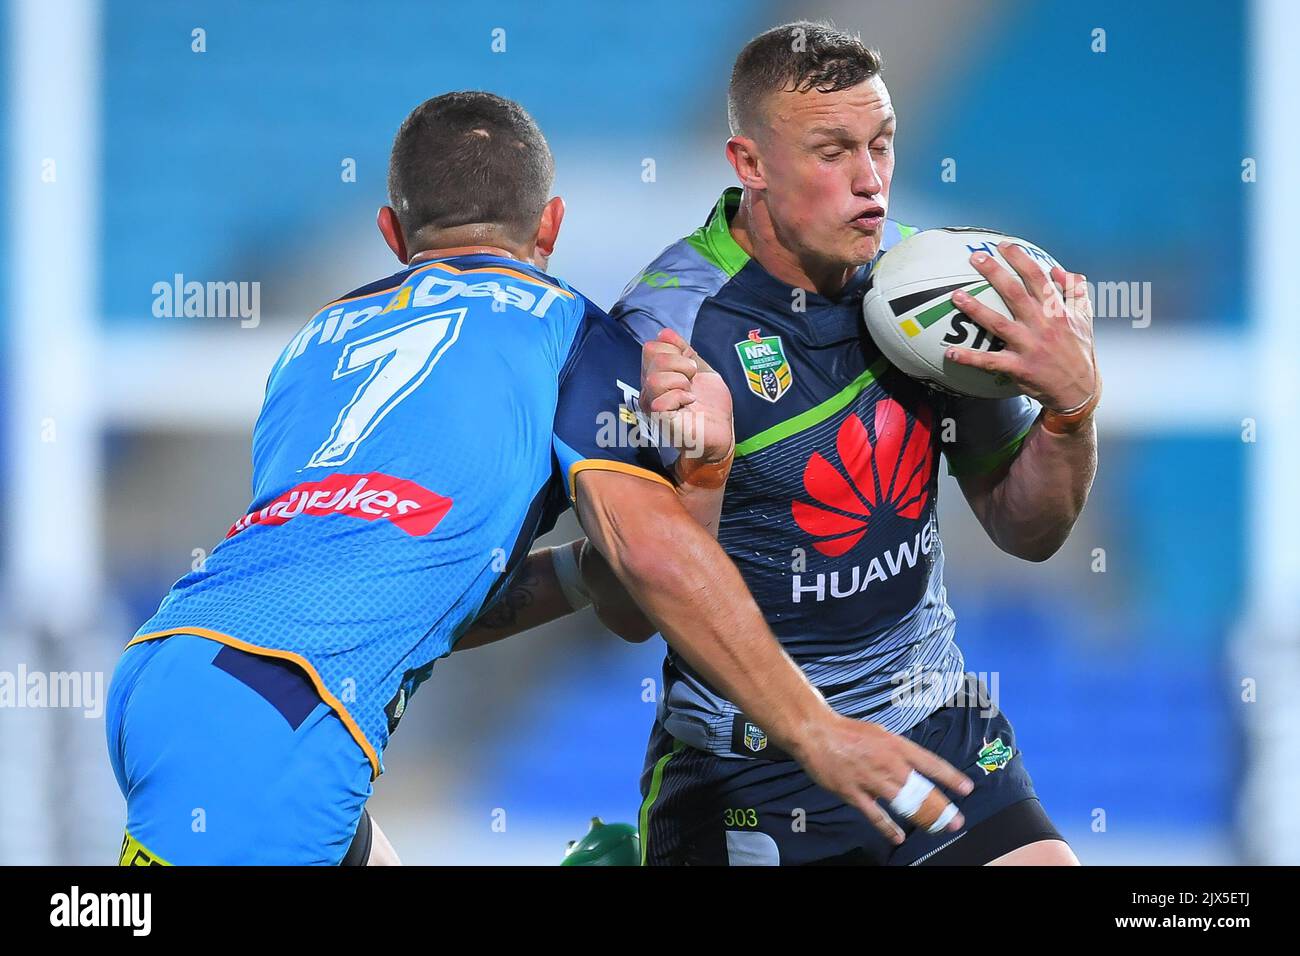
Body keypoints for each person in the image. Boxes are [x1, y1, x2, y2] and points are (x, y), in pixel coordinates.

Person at [105, 90, 970, 866]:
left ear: (393, 236)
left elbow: (397, 574)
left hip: (171, 667)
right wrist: (816, 731)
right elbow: (653, 560)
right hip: (288, 717)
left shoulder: (314, 344)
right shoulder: (570, 336)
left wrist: (579, 573)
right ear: (550, 228)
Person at [611, 21, 1099, 865]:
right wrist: (700, 475)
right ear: (750, 164)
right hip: (750, 766)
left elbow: (1029, 530)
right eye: (833, 152)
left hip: (932, 717)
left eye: (883, 145)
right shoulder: (670, 332)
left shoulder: (933, 285)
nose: (870, 182)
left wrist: (1070, 410)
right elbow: (624, 610)